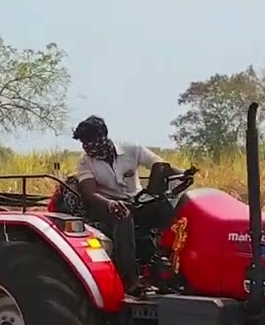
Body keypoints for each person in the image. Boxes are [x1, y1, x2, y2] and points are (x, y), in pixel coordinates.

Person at [70, 115, 194, 295]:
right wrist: (111, 203)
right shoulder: (85, 162)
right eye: (84, 142)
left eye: (91, 140)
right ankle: (131, 280)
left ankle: (171, 269)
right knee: (123, 215)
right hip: (104, 205)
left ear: (103, 136)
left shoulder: (132, 149)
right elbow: (90, 193)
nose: (88, 146)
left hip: (137, 201)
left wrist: (183, 174)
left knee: (173, 213)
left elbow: (161, 166)